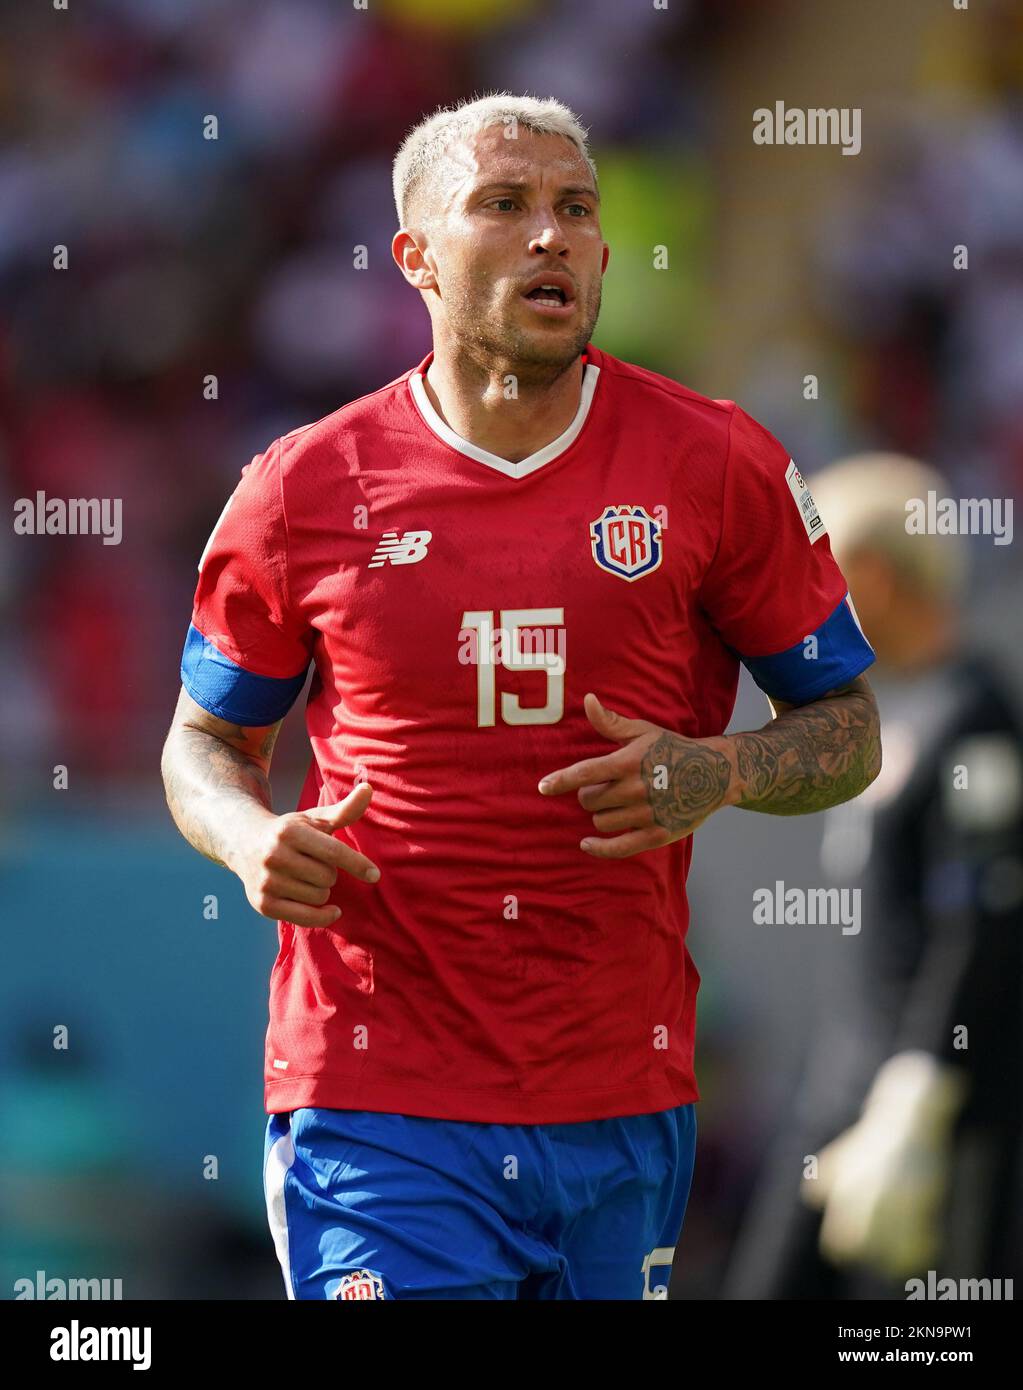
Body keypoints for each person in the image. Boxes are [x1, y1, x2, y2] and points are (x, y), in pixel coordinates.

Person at [160, 94, 880, 1301]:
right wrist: (248, 835)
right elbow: (204, 739)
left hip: (620, 1091)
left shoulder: (717, 464)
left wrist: (726, 769)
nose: (552, 235)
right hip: (377, 1092)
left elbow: (851, 730)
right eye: (505, 205)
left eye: (575, 209)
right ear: (418, 258)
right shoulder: (303, 488)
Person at [723, 454, 1023, 1299]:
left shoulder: (973, 718)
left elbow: (984, 918)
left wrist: (918, 1090)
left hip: (933, 1113)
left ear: (880, 575)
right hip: (842, 1089)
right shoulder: (889, 711)